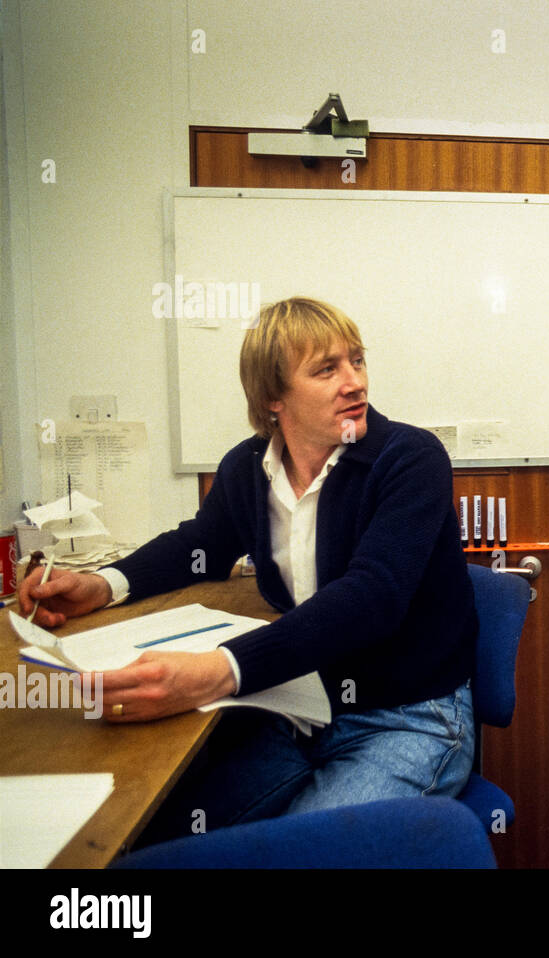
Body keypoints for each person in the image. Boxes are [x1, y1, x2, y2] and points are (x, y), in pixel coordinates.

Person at [18, 297, 478, 837]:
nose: (354, 382)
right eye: (326, 369)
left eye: (357, 360)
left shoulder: (410, 457)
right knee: (163, 829)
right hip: (299, 703)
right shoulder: (248, 466)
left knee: (299, 852)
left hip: (409, 715)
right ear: (272, 397)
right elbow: (200, 544)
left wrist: (215, 672)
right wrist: (101, 585)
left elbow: (372, 597)